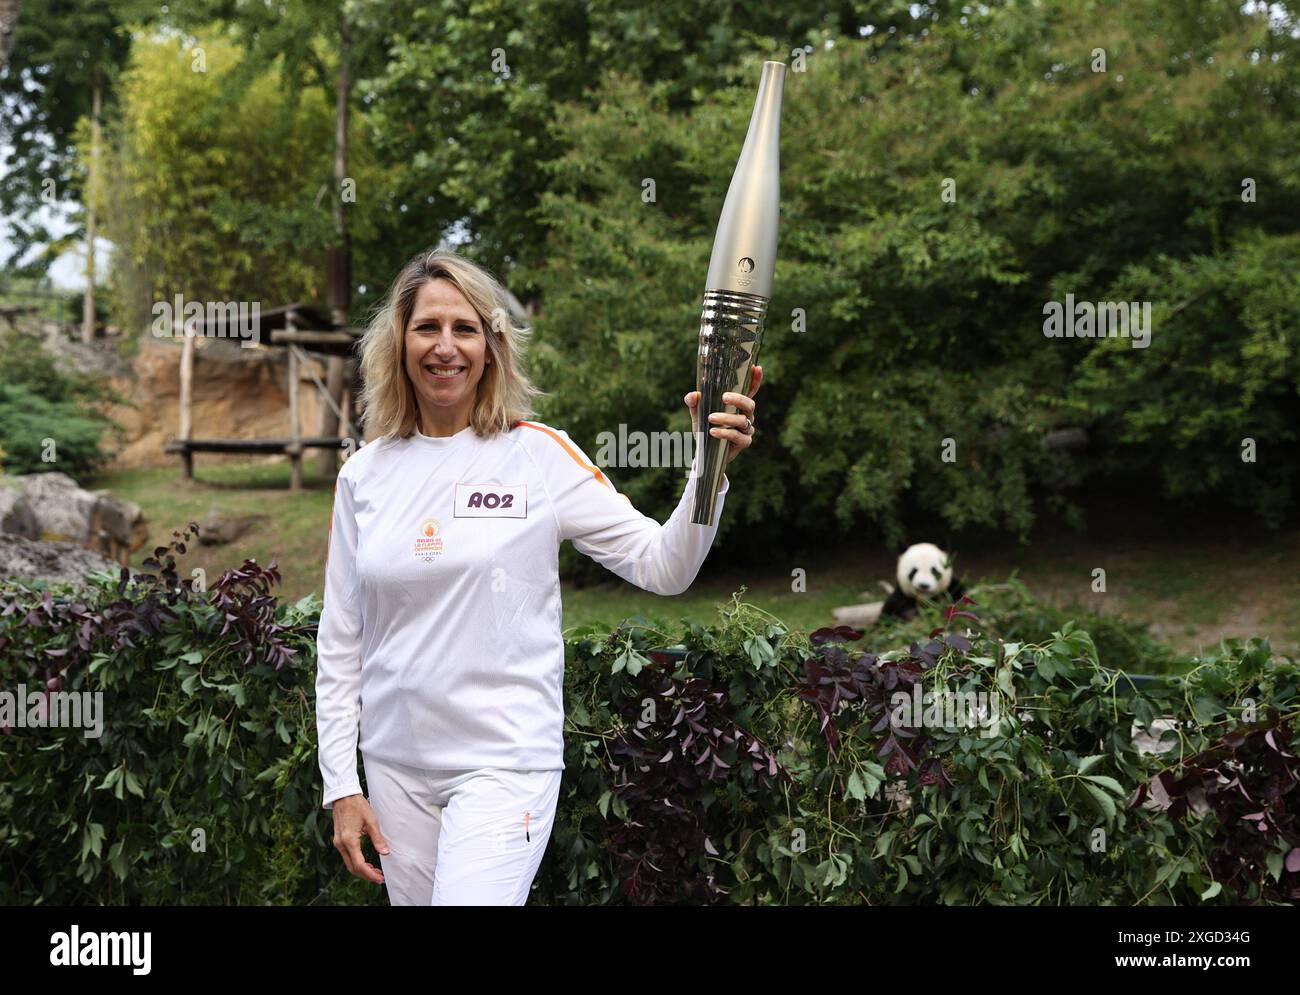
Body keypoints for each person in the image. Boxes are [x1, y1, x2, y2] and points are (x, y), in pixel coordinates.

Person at [315, 248, 762, 906]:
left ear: (492, 345)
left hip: (503, 765)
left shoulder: (537, 457)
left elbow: (664, 566)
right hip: (396, 771)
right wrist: (341, 784)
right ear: (399, 342)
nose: (445, 347)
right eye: (427, 328)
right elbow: (341, 640)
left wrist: (709, 467)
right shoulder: (365, 475)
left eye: (465, 328)